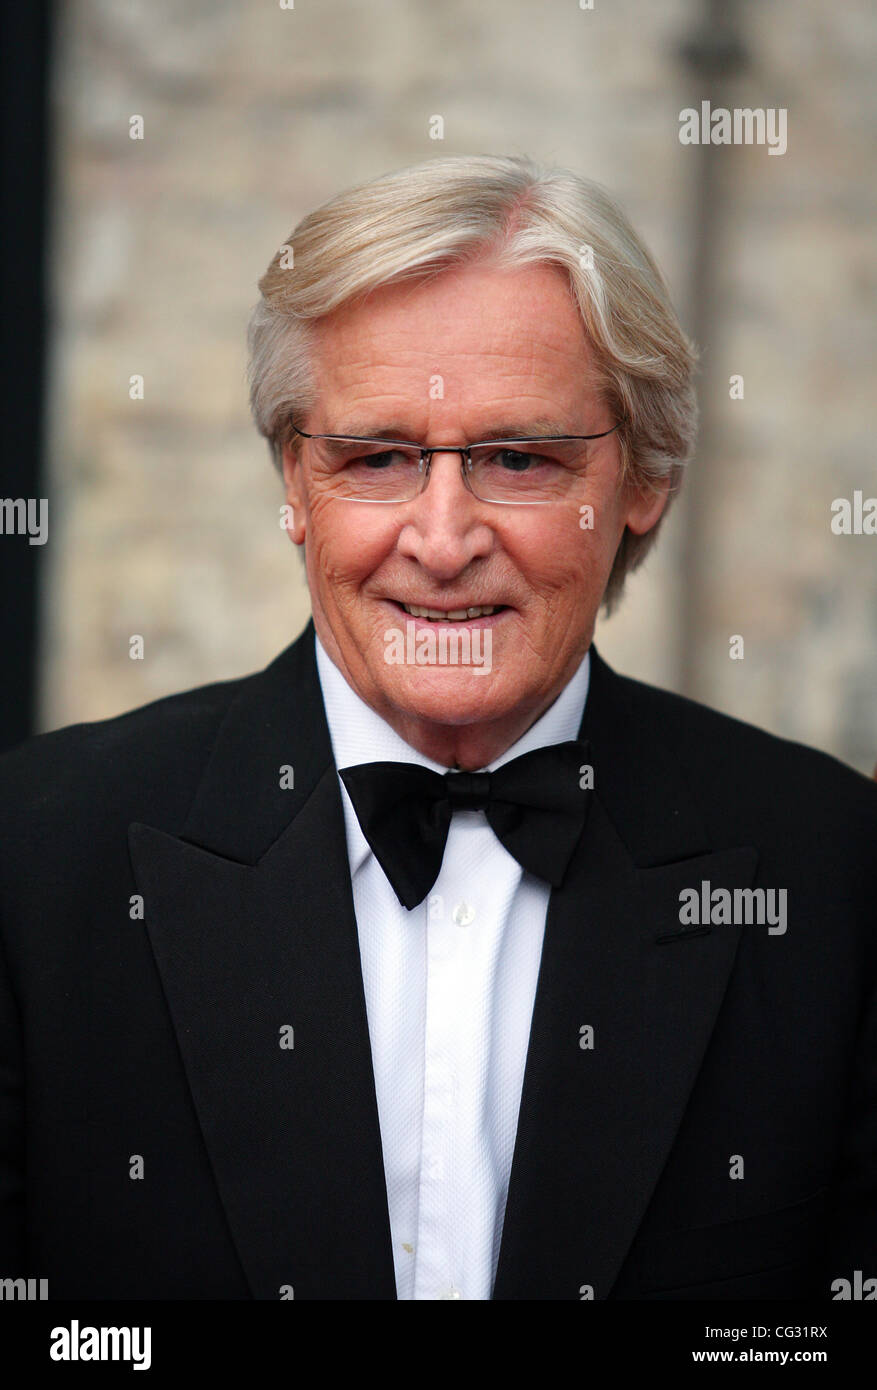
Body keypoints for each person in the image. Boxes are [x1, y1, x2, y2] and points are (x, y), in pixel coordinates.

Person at [0, 155, 874, 1301]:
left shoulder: (837, 875)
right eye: (378, 459)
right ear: (293, 484)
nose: (443, 535)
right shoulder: (35, 858)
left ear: (645, 478)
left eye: (517, 458)